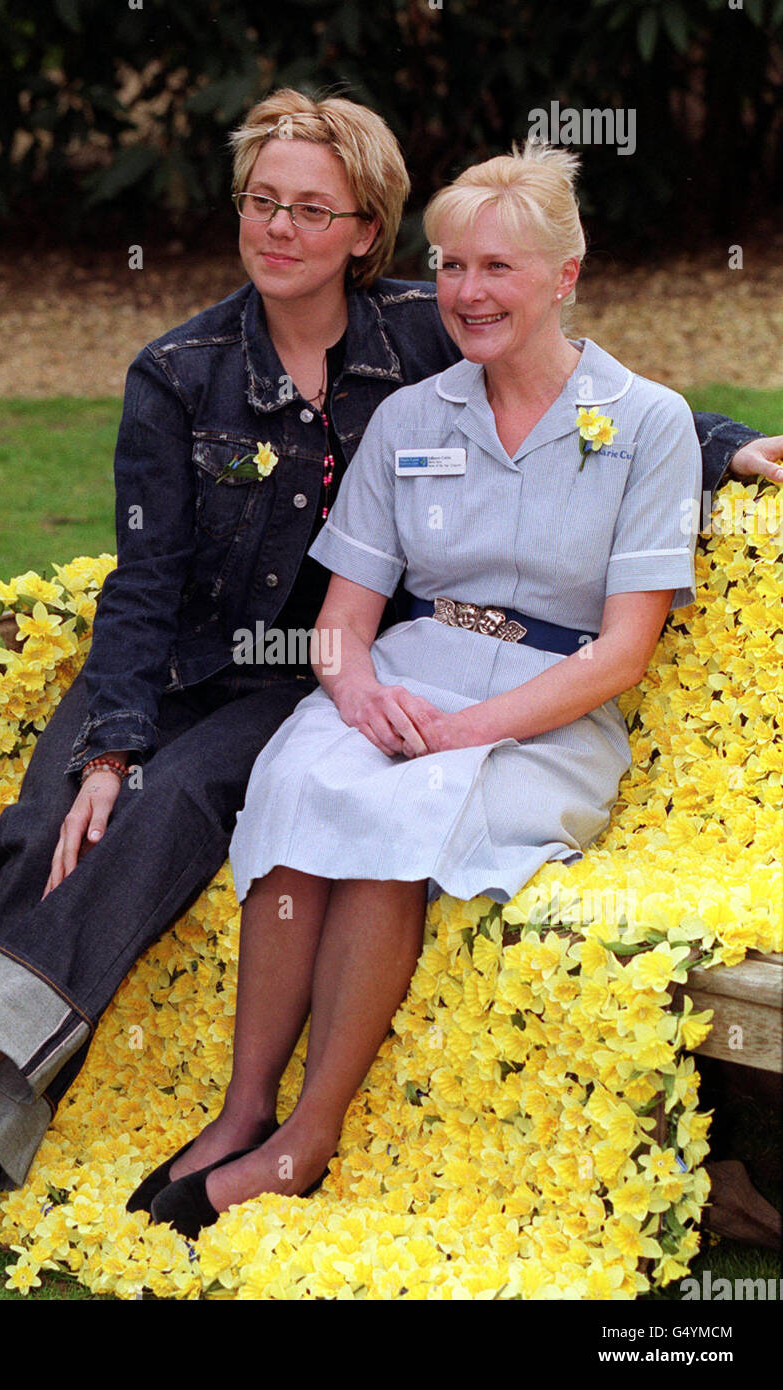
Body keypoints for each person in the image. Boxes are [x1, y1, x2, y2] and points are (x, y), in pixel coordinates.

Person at [0, 90, 781, 1273]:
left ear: (363, 231)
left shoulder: (421, 328)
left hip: (300, 676)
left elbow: (572, 376)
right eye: (261, 202)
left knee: (191, 802)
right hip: (198, 656)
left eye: (310, 209)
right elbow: (145, 579)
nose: (277, 228)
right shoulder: (180, 371)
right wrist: (111, 740)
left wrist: (723, 442)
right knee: (54, 816)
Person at [141, 140, 720, 1240]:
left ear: (564, 275)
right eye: (449, 267)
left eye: (496, 268)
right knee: (303, 776)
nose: (465, 292)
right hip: (406, 681)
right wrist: (357, 702)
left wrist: (464, 730)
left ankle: (306, 1136)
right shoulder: (412, 417)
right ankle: (239, 1108)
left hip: (542, 715)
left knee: (397, 815)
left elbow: (620, 654)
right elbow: (342, 620)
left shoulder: (642, 424)